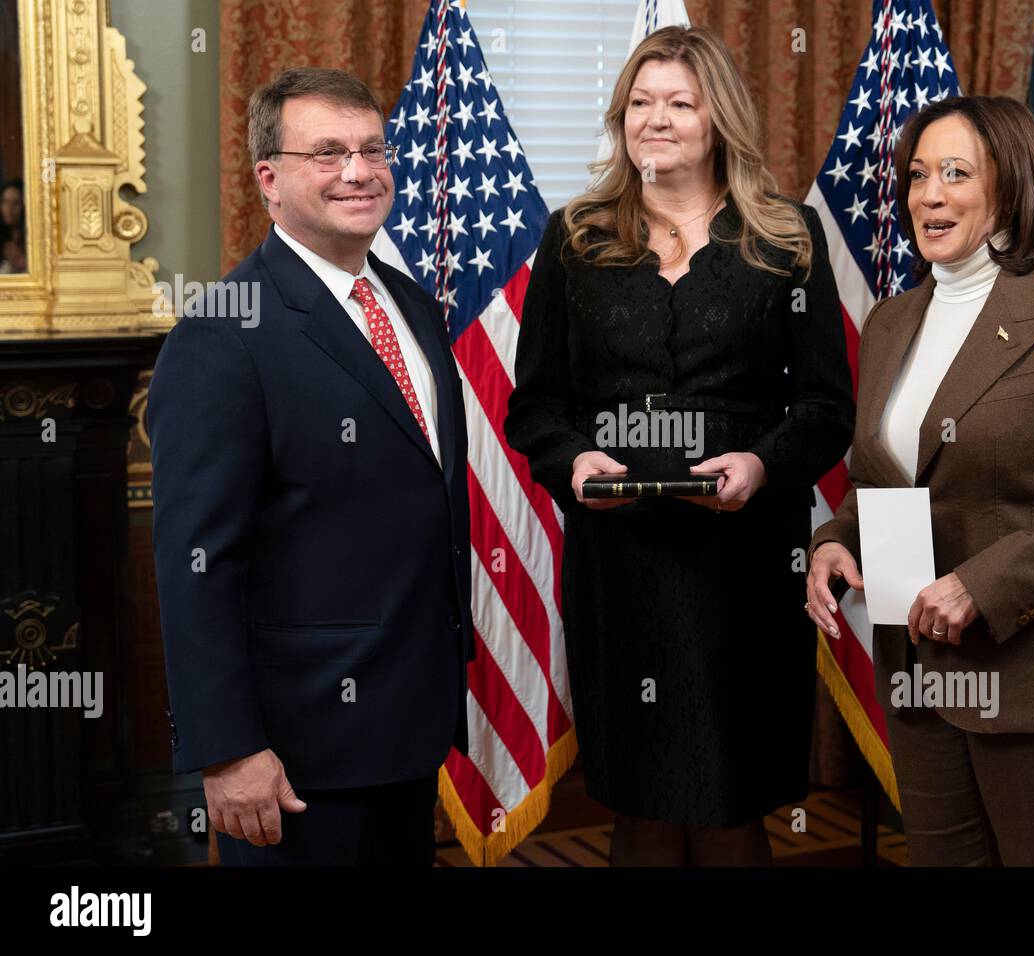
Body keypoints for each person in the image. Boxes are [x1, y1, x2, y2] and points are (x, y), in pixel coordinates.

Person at [505, 25, 854, 866]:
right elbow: (536, 404)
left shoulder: (787, 238)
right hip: (620, 564)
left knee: (732, 799)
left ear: (717, 117)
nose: (655, 119)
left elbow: (824, 406)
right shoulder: (573, 237)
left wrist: (762, 464)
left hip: (747, 561)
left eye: (679, 102)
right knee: (640, 803)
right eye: (640, 102)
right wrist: (573, 461)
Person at [806, 95, 1034, 866]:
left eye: (954, 173)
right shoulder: (891, 324)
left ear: (1008, 185)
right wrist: (838, 539)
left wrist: (984, 583)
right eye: (916, 175)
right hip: (921, 676)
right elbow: (885, 475)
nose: (928, 195)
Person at [148, 68, 471, 866]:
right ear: (270, 179)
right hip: (294, 755)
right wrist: (227, 751)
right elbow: (197, 563)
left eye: (371, 150)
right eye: (326, 153)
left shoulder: (412, 305)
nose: (358, 172)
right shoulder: (223, 334)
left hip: (408, 727)